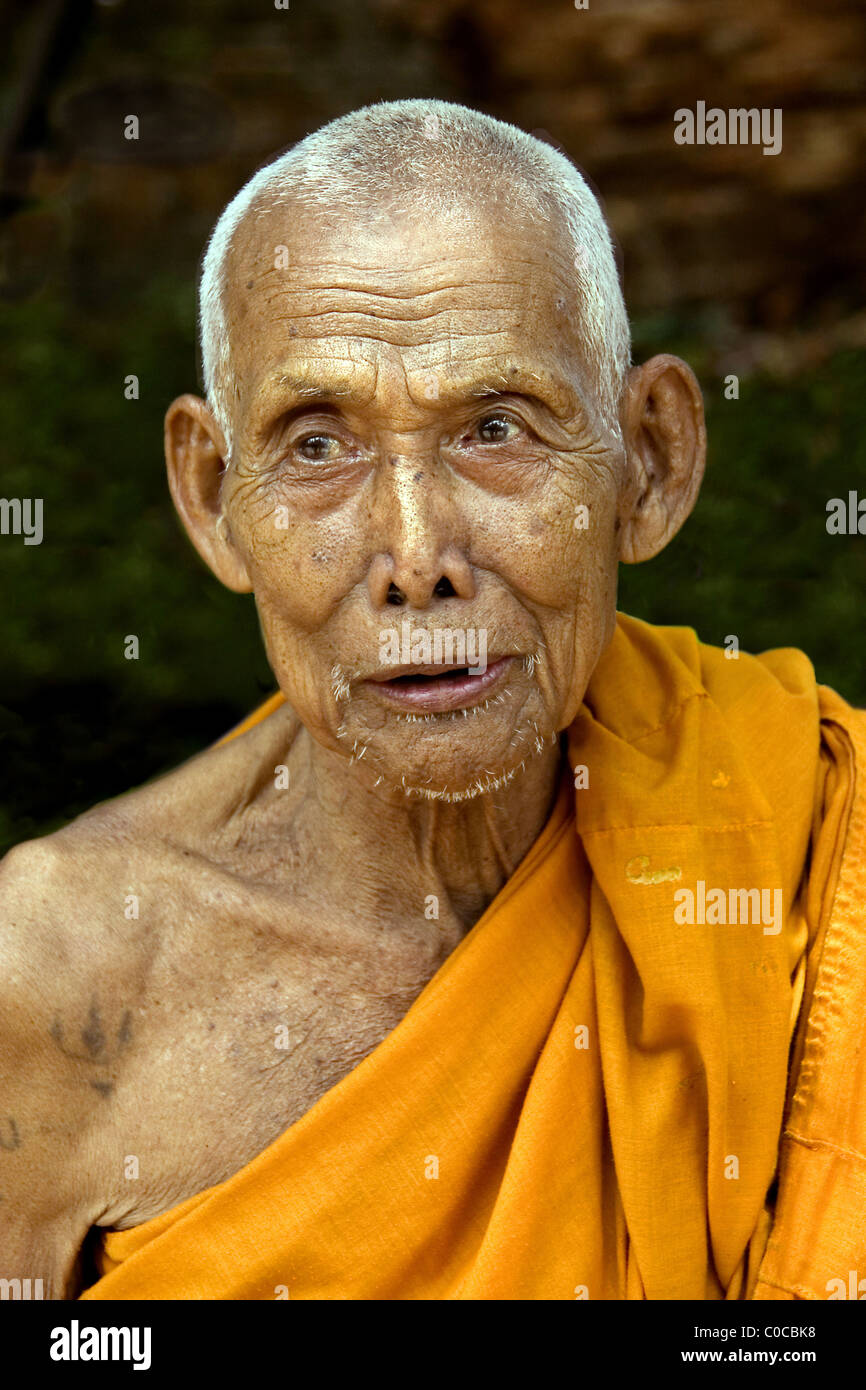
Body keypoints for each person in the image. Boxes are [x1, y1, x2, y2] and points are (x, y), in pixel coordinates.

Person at [2, 100, 864, 1301]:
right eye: (316, 446)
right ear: (211, 497)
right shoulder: (53, 978)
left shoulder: (807, 839)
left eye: (494, 428)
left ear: (650, 463)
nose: (415, 553)